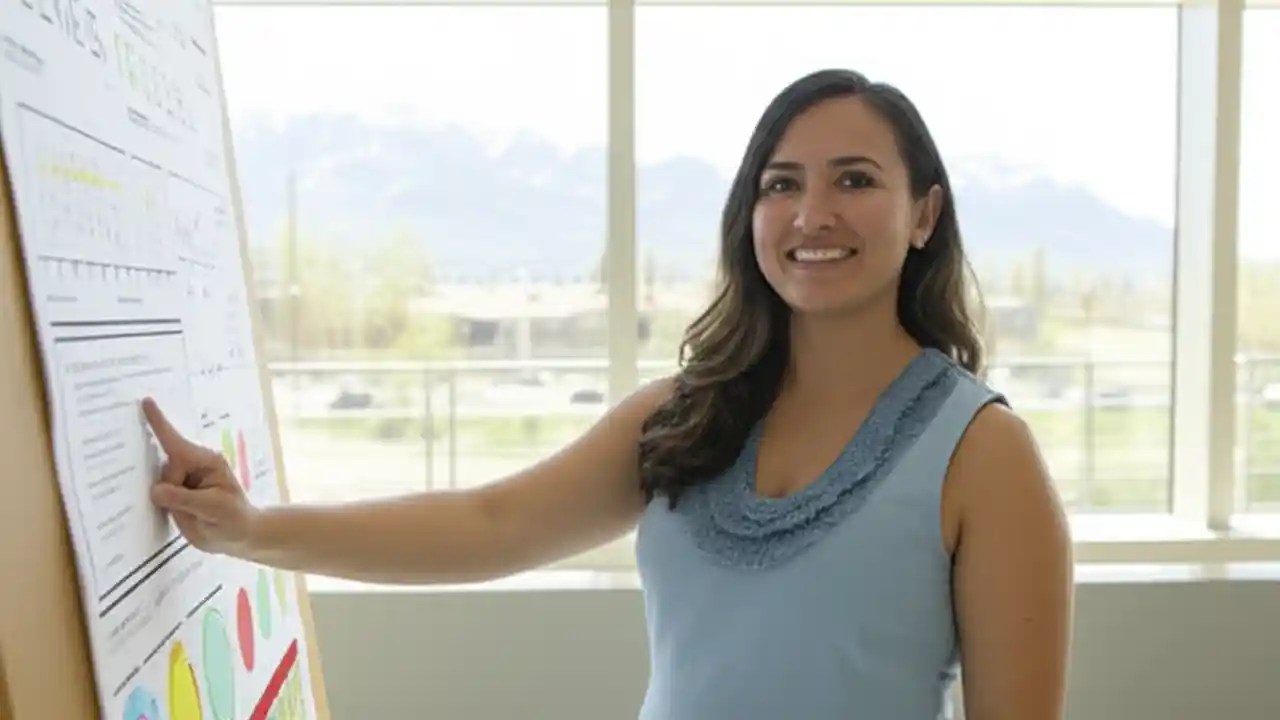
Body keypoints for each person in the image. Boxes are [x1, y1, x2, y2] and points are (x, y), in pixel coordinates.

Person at [143, 68, 1073, 719]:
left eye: (855, 181)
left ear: (925, 215)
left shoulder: (983, 455)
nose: (810, 215)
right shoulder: (686, 413)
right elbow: (491, 523)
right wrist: (252, 529)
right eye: (779, 184)